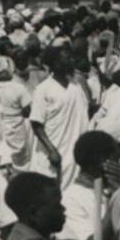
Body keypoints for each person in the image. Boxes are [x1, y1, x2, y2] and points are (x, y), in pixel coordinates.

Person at [29, 46, 91, 188]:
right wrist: (51, 150)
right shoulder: (43, 89)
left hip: (73, 153)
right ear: (55, 64)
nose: (71, 61)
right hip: (54, 153)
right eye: (67, 59)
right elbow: (36, 124)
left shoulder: (76, 86)